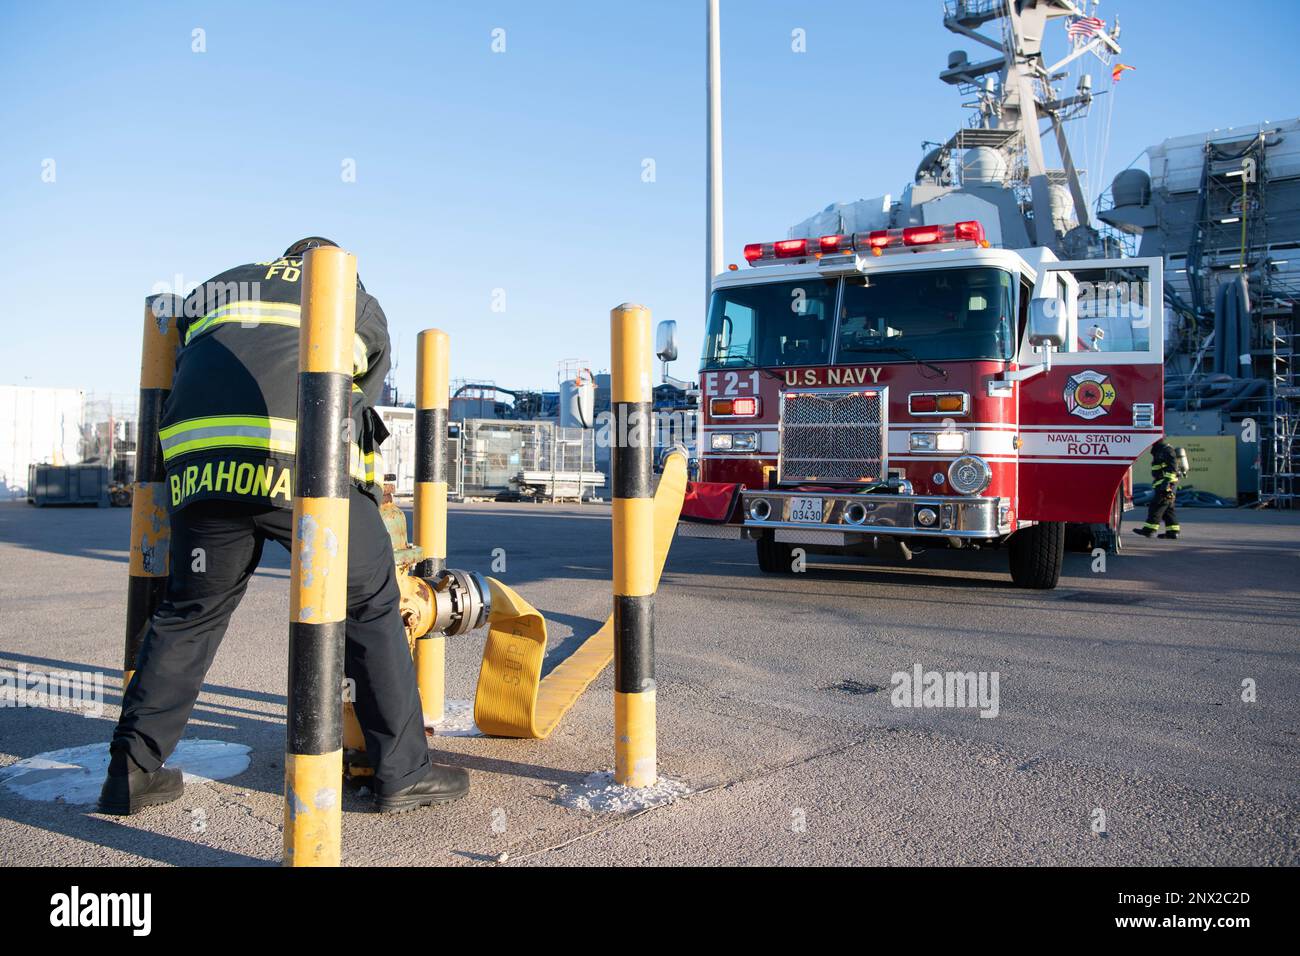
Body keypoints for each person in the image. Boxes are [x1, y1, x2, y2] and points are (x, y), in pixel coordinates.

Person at [99, 238, 469, 815]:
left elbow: (187, 366)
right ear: (328, 260)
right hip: (301, 465)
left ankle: (131, 772)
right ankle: (401, 771)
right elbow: (360, 398)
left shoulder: (217, 285)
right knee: (371, 602)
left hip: (200, 466)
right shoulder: (350, 290)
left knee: (189, 613)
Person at [1133, 438, 1181, 540]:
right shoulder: (1160, 450)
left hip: (1166, 484)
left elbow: (1173, 468)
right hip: (1164, 483)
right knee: (1168, 509)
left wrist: (1166, 483)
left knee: (1156, 507)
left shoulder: (1167, 451)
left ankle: (1149, 530)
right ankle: (1172, 532)